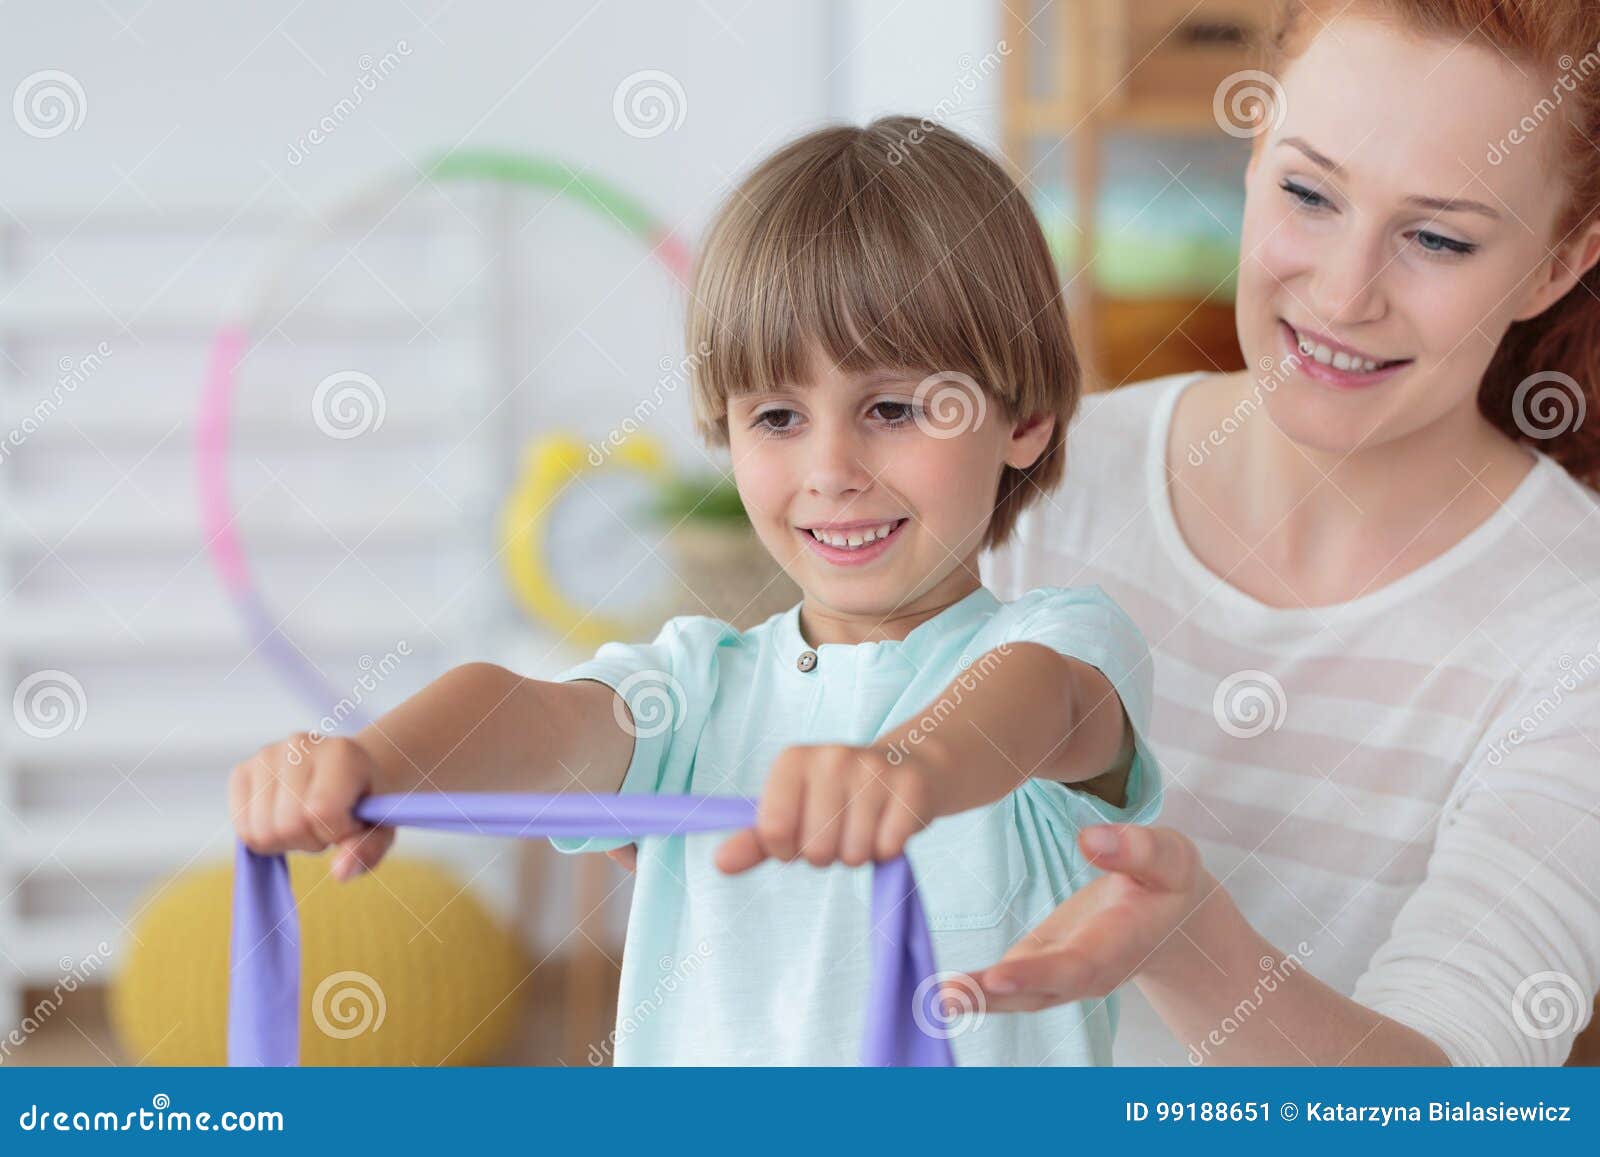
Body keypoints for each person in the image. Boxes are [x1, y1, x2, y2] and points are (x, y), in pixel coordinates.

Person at [229, 116, 1163, 1065]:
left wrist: (904, 768)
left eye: (893, 408)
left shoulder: (1060, 646)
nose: (830, 469)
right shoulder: (697, 687)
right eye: (777, 416)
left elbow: (1035, 705)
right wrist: (370, 763)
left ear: (1027, 421)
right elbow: (530, 714)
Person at [955, 0, 1600, 1066]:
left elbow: (1456, 1111)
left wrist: (1185, 942)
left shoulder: (1574, 635)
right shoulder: (1036, 478)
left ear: (1557, 263)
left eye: (1436, 238)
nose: (1344, 294)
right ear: (1252, 151)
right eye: (1308, 192)